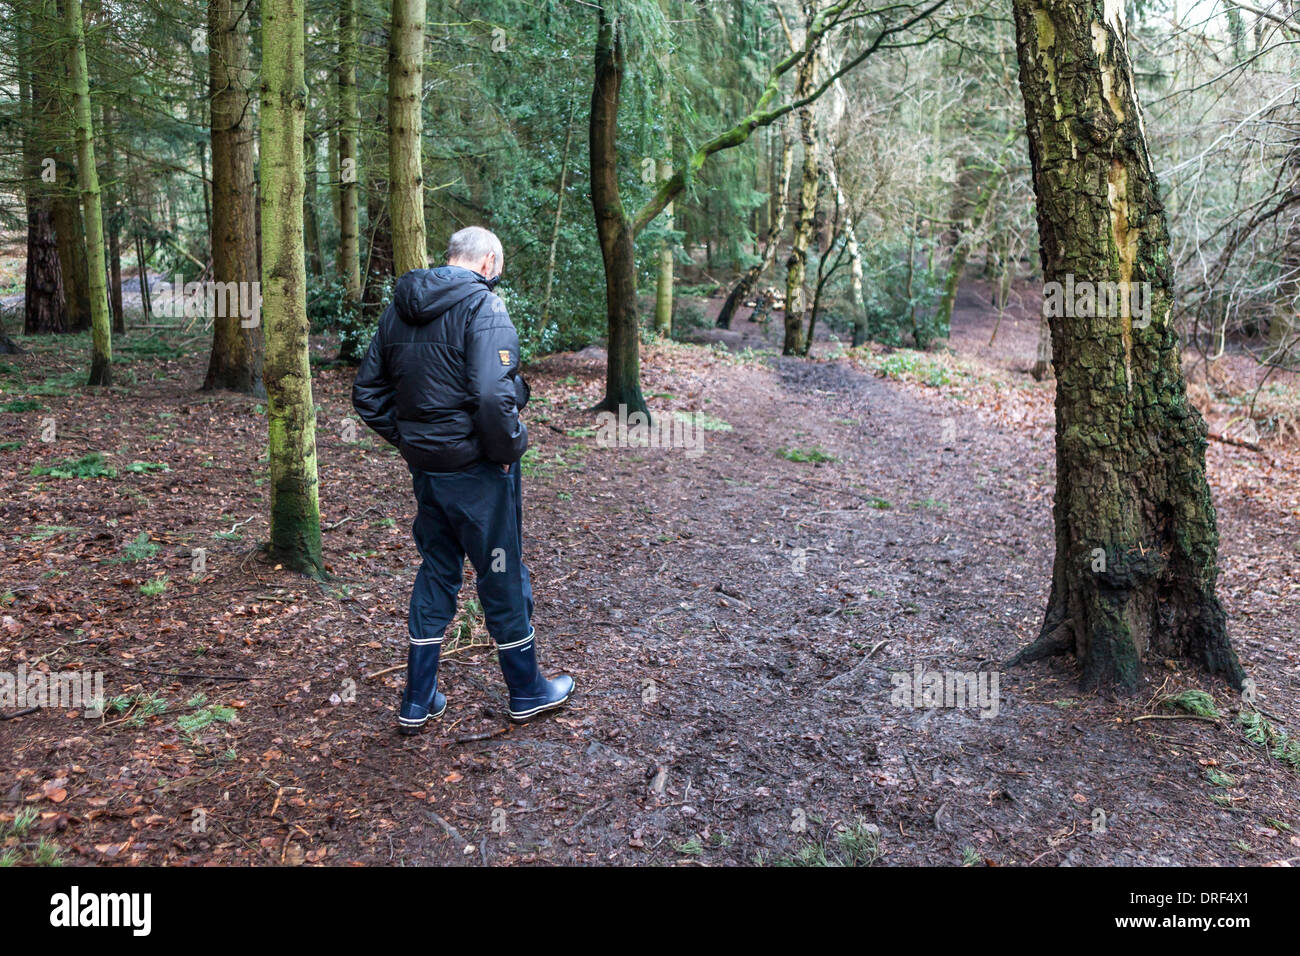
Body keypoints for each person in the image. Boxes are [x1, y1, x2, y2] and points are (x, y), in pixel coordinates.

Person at [351, 226, 574, 735]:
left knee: (437, 569)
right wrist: (504, 451)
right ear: (489, 262)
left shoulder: (399, 307)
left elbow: (368, 394)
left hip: (429, 471)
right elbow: (495, 399)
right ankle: (526, 690)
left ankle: (417, 698)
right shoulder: (484, 308)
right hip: (477, 473)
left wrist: (415, 442)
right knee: (500, 571)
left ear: (452, 257)